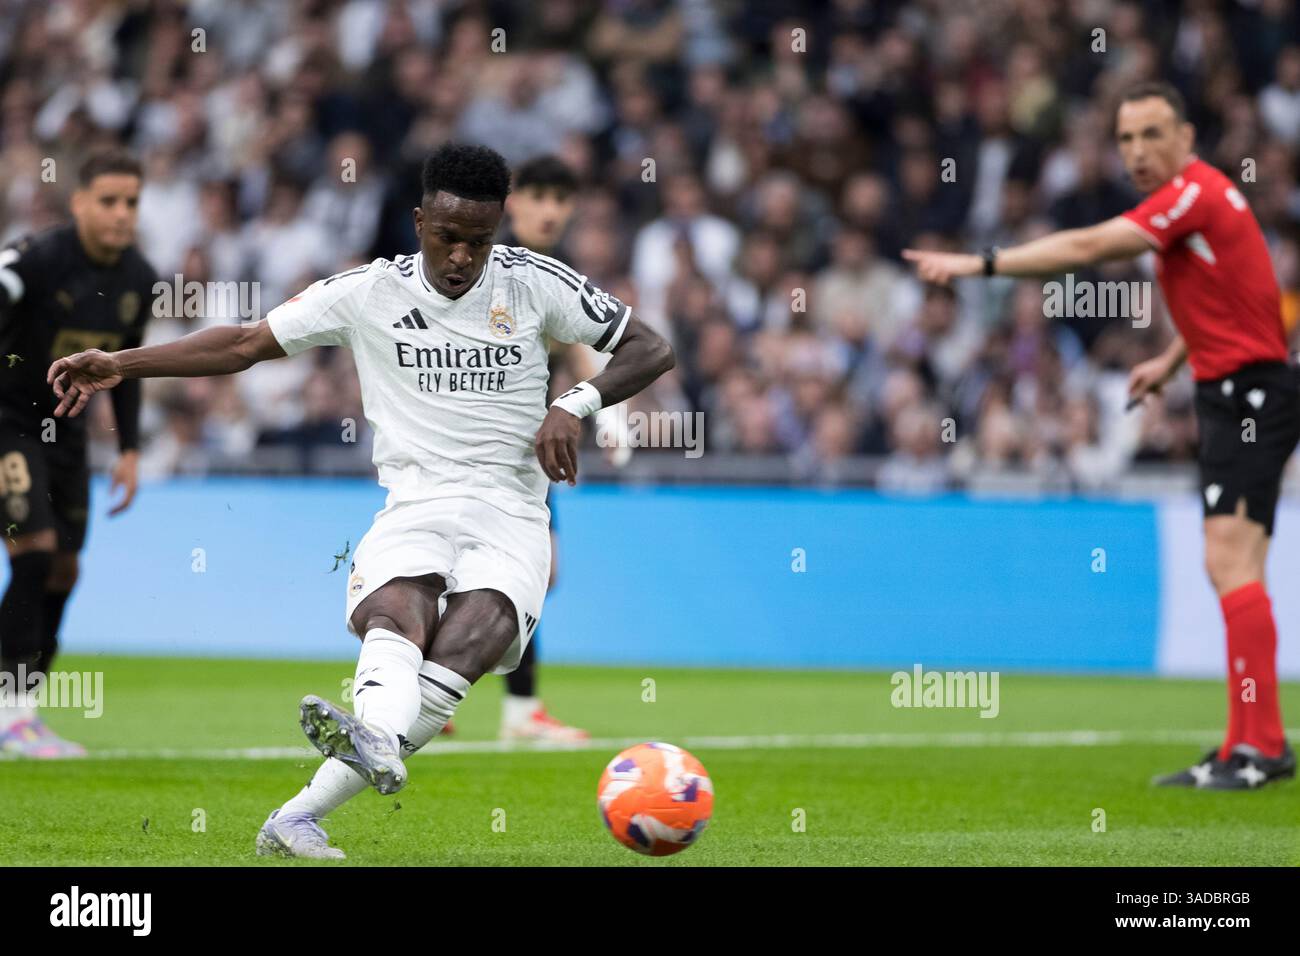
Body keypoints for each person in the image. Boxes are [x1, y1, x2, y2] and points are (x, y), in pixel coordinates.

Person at [46, 142, 674, 856]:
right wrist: (120, 364)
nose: (463, 257)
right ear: (418, 221)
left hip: (511, 512)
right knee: (395, 611)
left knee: (474, 639)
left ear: (499, 230)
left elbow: (651, 347)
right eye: (448, 238)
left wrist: (577, 402)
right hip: (415, 502)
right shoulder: (369, 291)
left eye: (479, 241)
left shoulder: (536, 282)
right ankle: (368, 742)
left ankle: (305, 805)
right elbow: (246, 344)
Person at [904, 81, 1297, 790]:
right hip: (1236, 387)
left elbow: (1087, 245)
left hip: (1250, 394)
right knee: (1234, 567)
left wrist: (979, 263)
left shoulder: (1192, 195)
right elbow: (1242, 297)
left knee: (1231, 564)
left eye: (1153, 134)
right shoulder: (1202, 205)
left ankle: (1261, 750)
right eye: (1125, 138)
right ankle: (1248, 741)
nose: (1138, 151)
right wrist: (1172, 358)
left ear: (1186, 138)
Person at [0, 149, 154, 757]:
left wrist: (132, 449)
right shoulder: (37, 259)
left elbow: (130, 369)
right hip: (7, 424)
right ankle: (7, 713)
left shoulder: (140, 279)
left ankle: (24, 710)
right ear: (79, 204)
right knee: (32, 553)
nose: (121, 214)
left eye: (132, 203)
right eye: (109, 201)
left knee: (64, 570)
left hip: (66, 437)